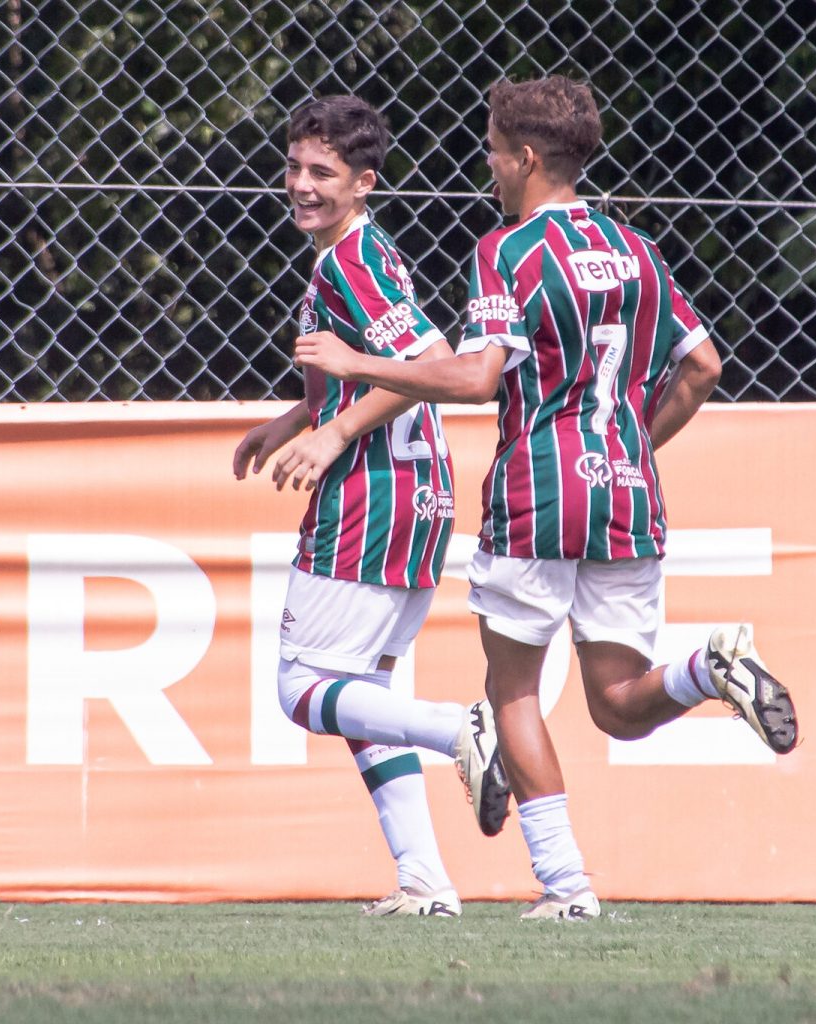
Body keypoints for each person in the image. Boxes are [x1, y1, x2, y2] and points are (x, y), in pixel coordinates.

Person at [293, 76, 799, 921]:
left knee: (513, 693)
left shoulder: (509, 249)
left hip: (539, 491)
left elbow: (476, 377)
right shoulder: (638, 248)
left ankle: (566, 888)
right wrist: (631, 445)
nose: (488, 166)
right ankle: (707, 669)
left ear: (526, 158)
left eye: (494, 152)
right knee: (620, 704)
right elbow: (705, 365)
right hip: (628, 493)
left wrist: (355, 363)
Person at [233, 95, 508, 917]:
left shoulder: (349, 261)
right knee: (362, 697)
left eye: (323, 172)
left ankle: (459, 730)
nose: (301, 184)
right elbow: (373, 367)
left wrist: (333, 434)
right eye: (294, 166)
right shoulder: (360, 253)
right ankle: (424, 880)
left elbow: (431, 362)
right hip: (416, 497)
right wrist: (295, 420)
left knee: (300, 689)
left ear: (363, 183)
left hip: (372, 496)